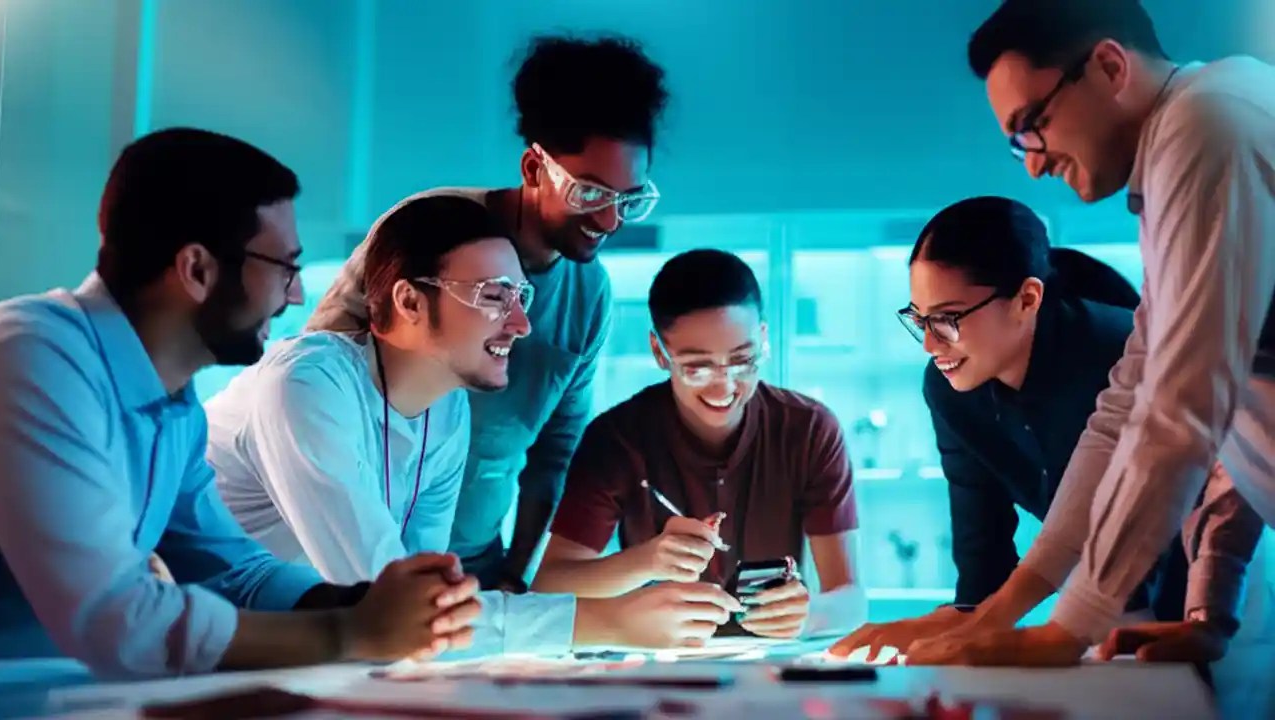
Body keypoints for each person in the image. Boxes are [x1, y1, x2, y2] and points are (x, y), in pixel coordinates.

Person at [0, 128, 482, 679]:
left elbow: (232, 573)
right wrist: (351, 631)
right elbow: (118, 620)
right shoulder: (33, 356)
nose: (295, 295)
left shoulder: (173, 407)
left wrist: (369, 602)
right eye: (285, 268)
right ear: (197, 270)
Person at [899, 0, 1275, 667]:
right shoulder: (1192, 132)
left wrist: (1068, 629)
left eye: (1032, 126)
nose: (1033, 165)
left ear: (1108, 66)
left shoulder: (1204, 126)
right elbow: (1129, 407)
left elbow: (1182, 408)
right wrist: (1006, 612)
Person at [207, 194, 741, 653]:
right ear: (410, 301)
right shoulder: (307, 385)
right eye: (493, 296)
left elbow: (430, 596)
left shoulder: (447, 410)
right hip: (205, 648)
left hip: (288, 635)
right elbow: (394, 608)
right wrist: (609, 621)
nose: (522, 324)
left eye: (521, 297)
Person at [306, 34, 668, 591]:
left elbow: (556, 455)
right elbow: (321, 374)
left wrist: (516, 576)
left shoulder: (589, 295)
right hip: (358, 556)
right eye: (591, 194)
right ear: (533, 168)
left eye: (628, 200)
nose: (610, 221)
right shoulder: (431, 229)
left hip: (477, 563)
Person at [828, 196, 1262, 661]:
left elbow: (1144, 507)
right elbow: (984, 556)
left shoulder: (1117, 355)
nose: (930, 344)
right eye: (920, 319)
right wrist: (956, 617)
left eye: (947, 319)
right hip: (1108, 606)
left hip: (1218, 589)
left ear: (1027, 299)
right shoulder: (950, 388)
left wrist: (996, 622)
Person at [533, 249, 866, 639]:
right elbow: (549, 588)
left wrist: (807, 616)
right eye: (697, 367)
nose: (724, 387)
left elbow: (851, 599)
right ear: (659, 352)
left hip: (774, 658)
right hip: (659, 657)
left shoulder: (808, 429)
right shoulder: (618, 439)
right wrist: (645, 562)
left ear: (763, 339)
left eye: (743, 360)